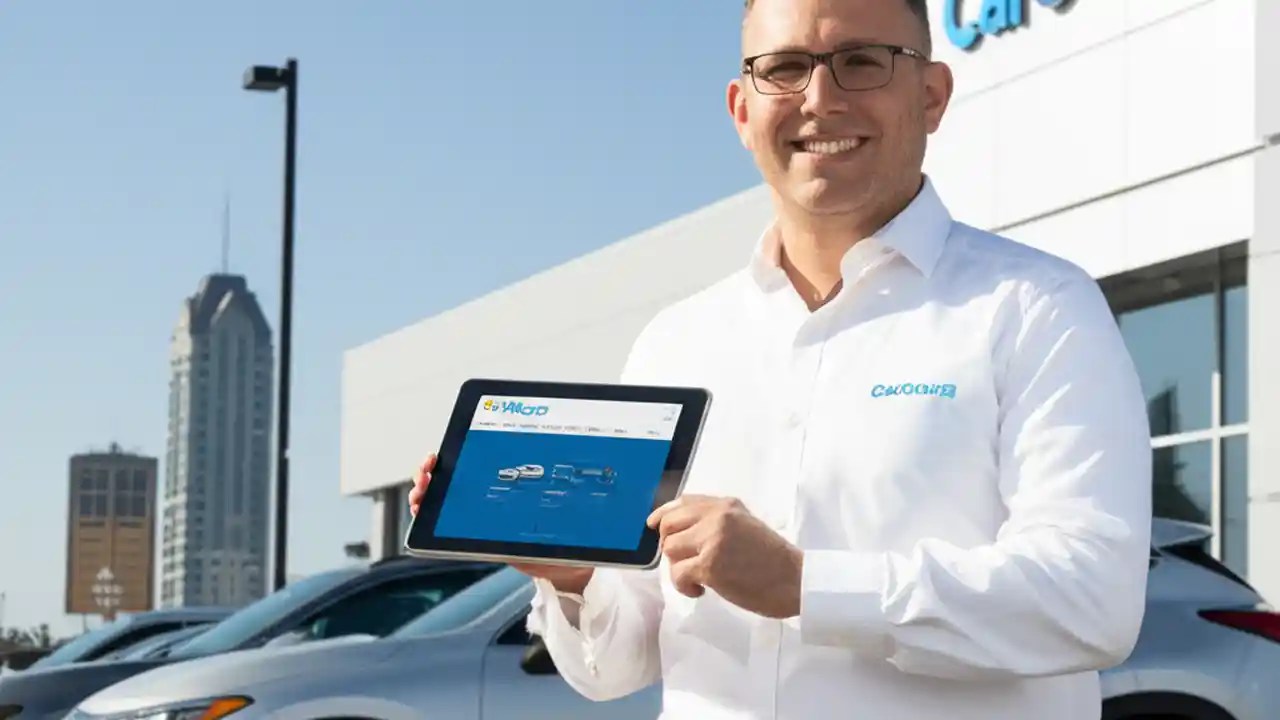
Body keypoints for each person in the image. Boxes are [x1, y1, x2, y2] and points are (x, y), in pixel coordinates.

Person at [408, 0, 1152, 717]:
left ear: (931, 95)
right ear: (740, 109)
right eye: (786, 67)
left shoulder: (1036, 307)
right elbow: (619, 665)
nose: (821, 98)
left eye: (862, 60)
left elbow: (1092, 600)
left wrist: (807, 586)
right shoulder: (677, 341)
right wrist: (572, 579)